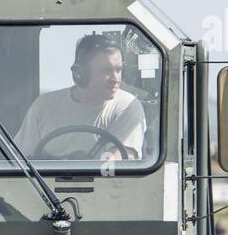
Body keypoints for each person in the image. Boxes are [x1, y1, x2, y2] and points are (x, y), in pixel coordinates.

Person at [17, 33, 146, 161]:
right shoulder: (44, 106)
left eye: (118, 70)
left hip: (106, 181)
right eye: (106, 71)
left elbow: (122, 157)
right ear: (81, 74)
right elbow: (20, 156)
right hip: (42, 181)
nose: (115, 79)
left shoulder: (127, 106)